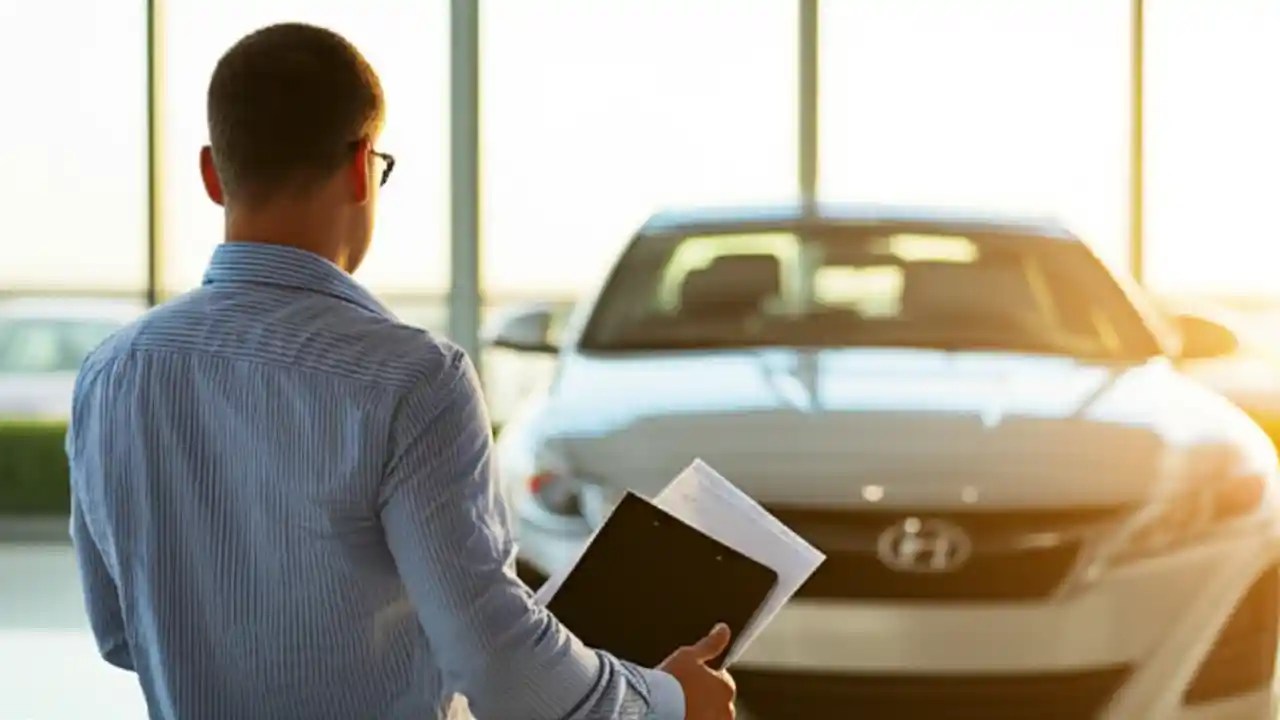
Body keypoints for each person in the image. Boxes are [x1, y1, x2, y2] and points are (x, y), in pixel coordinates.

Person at [67, 22, 736, 720]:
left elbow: (119, 632)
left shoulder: (112, 372)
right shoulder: (414, 379)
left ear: (212, 174)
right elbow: (499, 666)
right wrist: (666, 701)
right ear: (362, 165)